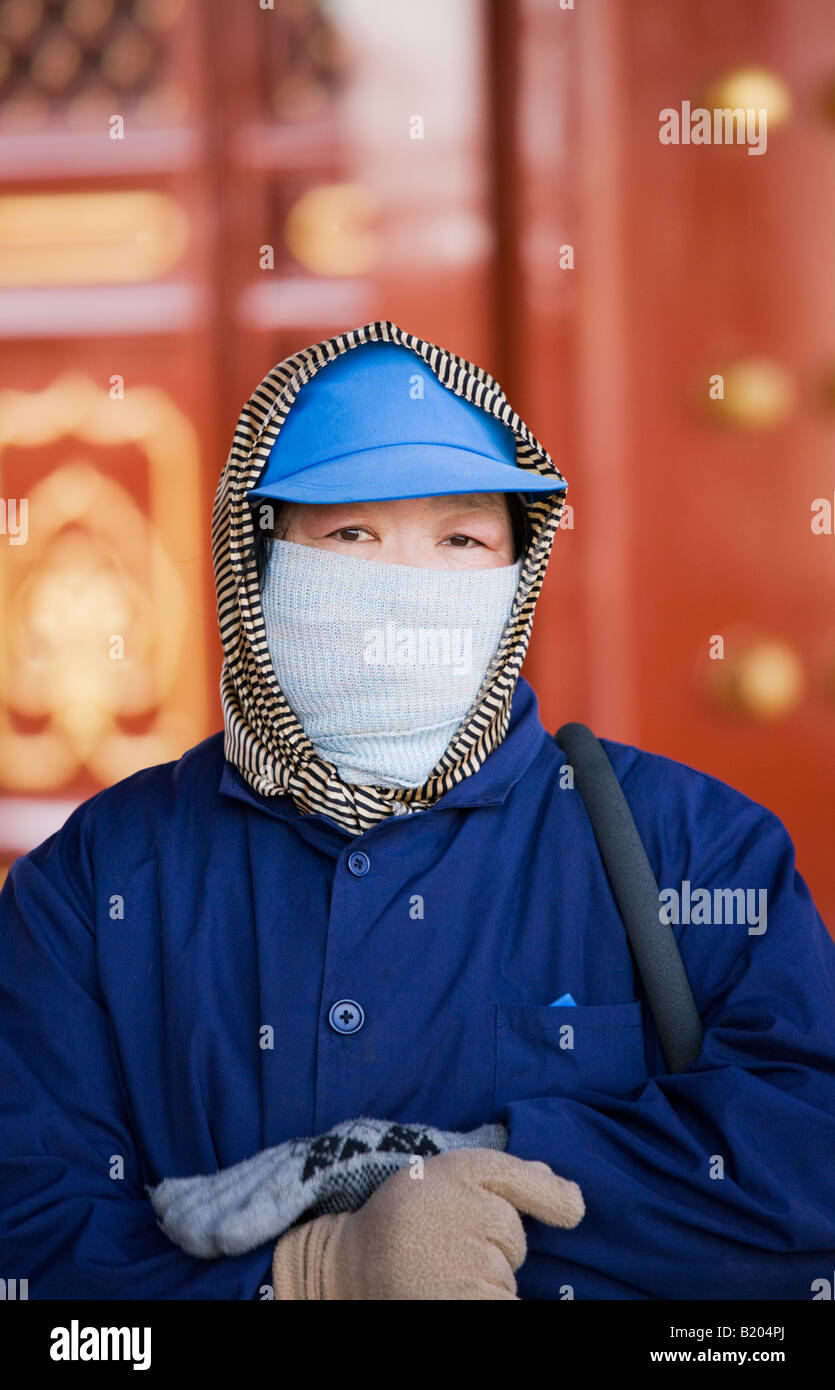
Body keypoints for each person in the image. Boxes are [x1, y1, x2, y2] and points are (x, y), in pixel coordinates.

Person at [1, 322, 834, 1302]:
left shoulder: (688, 847)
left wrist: (481, 1167)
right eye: (350, 534)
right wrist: (307, 1276)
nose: (403, 590)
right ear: (254, 560)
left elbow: (803, 1162)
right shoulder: (96, 883)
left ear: (516, 574)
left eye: (461, 539)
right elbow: (33, 1243)